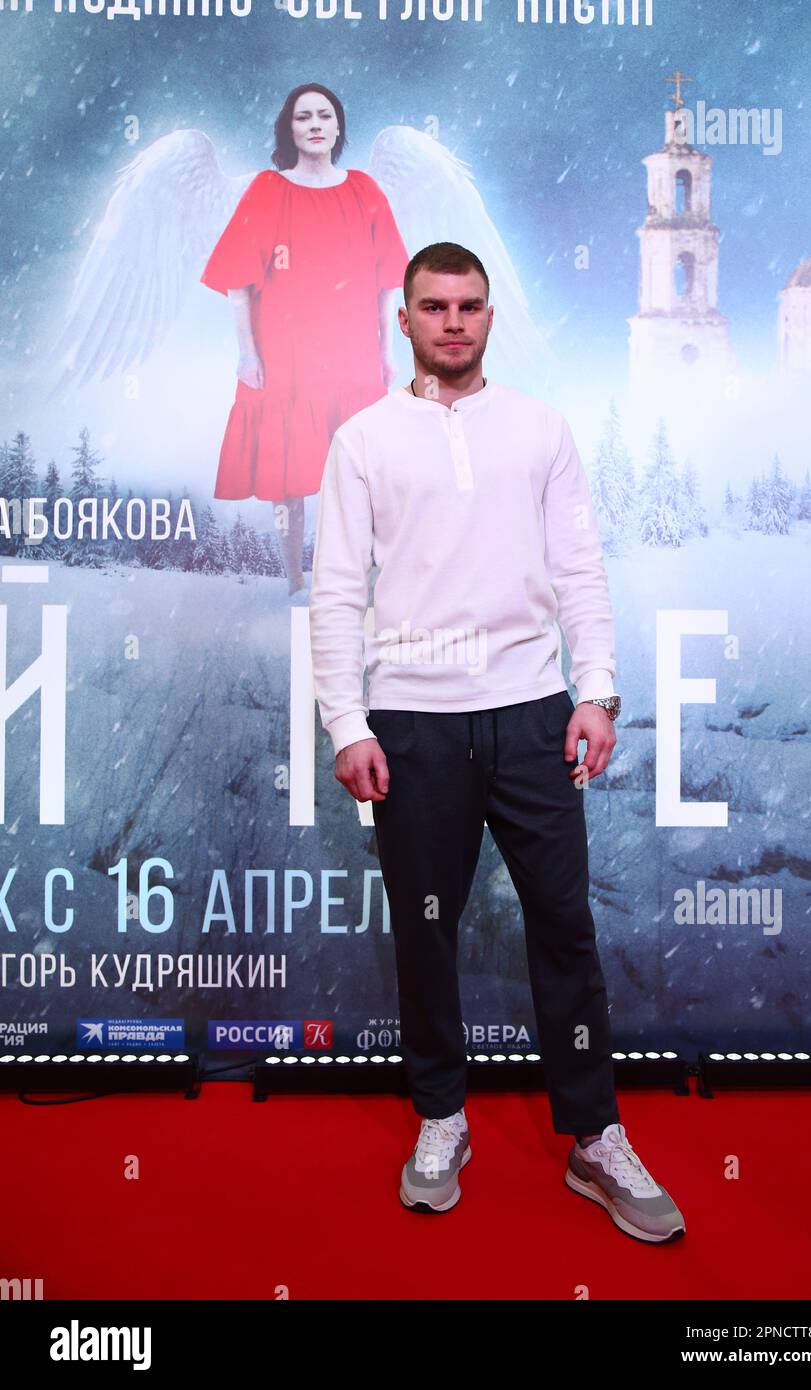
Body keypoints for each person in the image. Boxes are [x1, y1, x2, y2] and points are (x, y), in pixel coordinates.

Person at [309, 242, 685, 1243]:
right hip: (412, 726)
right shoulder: (362, 440)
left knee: (562, 925)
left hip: (529, 714)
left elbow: (579, 569)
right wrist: (347, 722)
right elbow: (338, 593)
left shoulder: (538, 430)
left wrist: (596, 692)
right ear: (403, 318)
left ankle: (592, 1135)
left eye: (468, 305)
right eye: (432, 306)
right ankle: (441, 1116)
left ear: (487, 315)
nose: (452, 321)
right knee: (425, 934)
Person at [200, 83, 409, 593]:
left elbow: (387, 280)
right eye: (303, 117)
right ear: (289, 129)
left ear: (338, 127)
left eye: (324, 115)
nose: (314, 124)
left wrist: (384, 352)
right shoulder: (269, 190)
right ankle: (294, 582)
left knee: (358, 475)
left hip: (352, 354)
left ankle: (353, 584)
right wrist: (247, 354)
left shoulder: (364, 190)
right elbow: (236, 280)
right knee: (287, 474)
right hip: (284, 354)